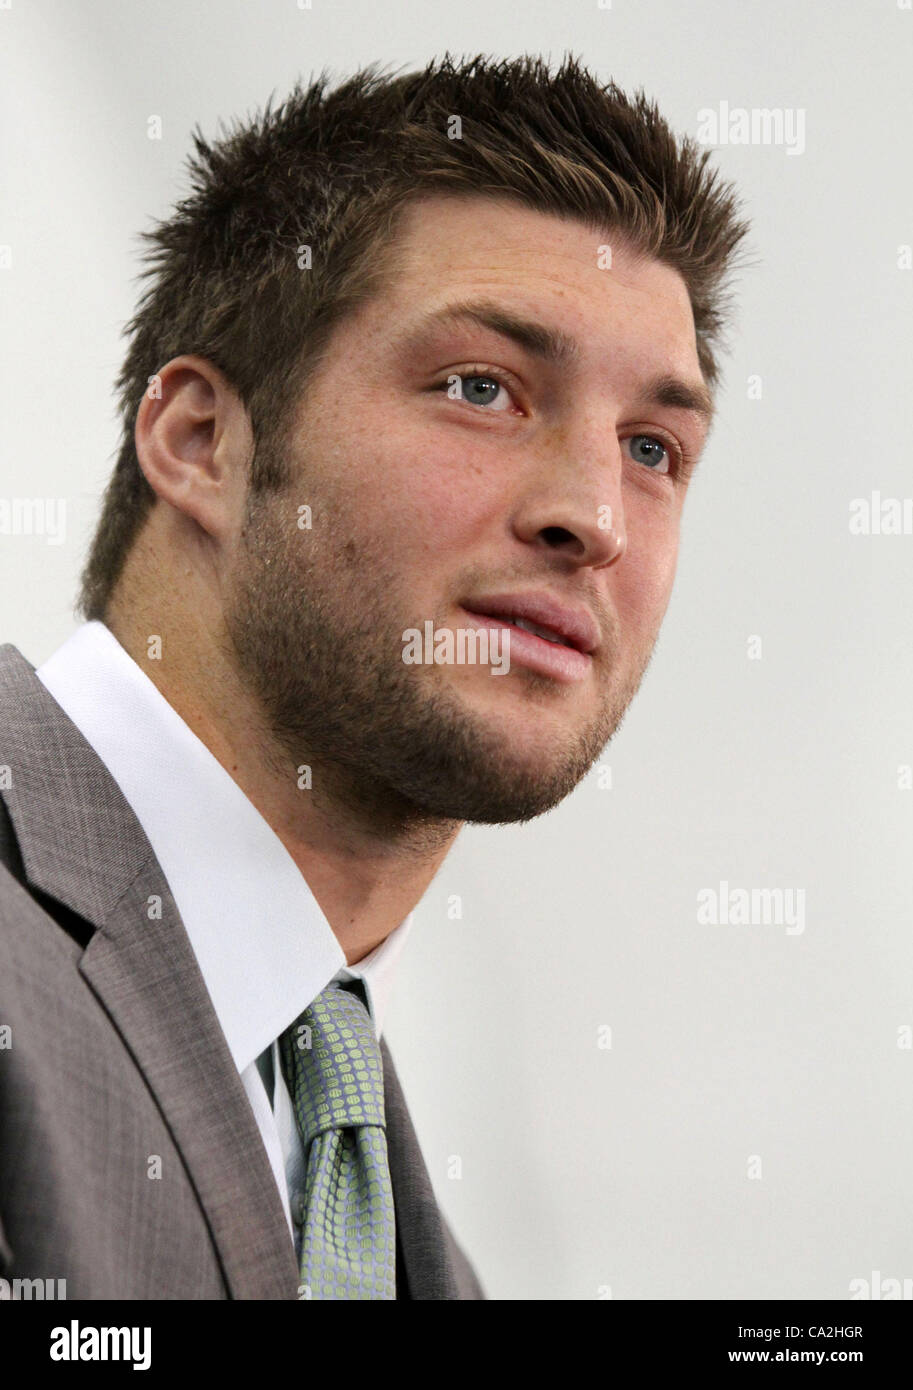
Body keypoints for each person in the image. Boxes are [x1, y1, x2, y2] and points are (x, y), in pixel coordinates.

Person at [0, 52, 750, 1300]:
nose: (596, 516)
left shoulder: (403, 1228)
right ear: (202, 443)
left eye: (653, 447)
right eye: (481, 387)